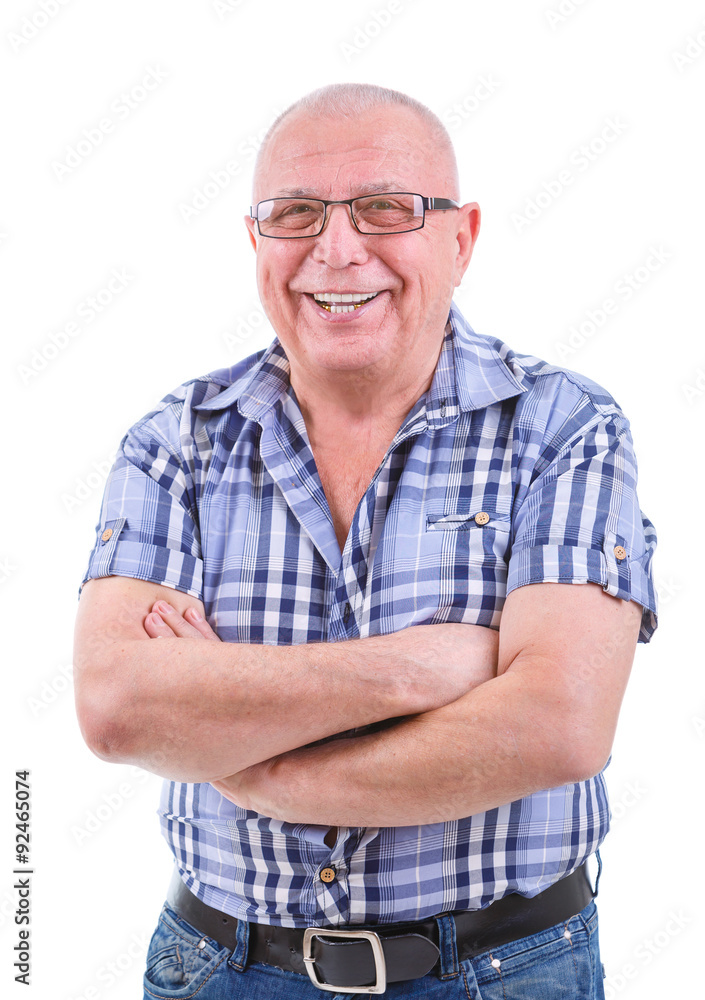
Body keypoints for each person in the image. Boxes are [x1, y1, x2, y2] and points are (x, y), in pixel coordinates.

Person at [73, 83, 657, 999]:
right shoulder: (174, 442)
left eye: (385, 208)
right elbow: (118, 709)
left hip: (501, 973)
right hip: (219, 970)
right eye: (294, 213)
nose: (336, 249)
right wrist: (420, 670)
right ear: (256, 242)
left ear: (460, 239)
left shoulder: (563, 427)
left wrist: (257, 770)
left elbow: (560, 727)